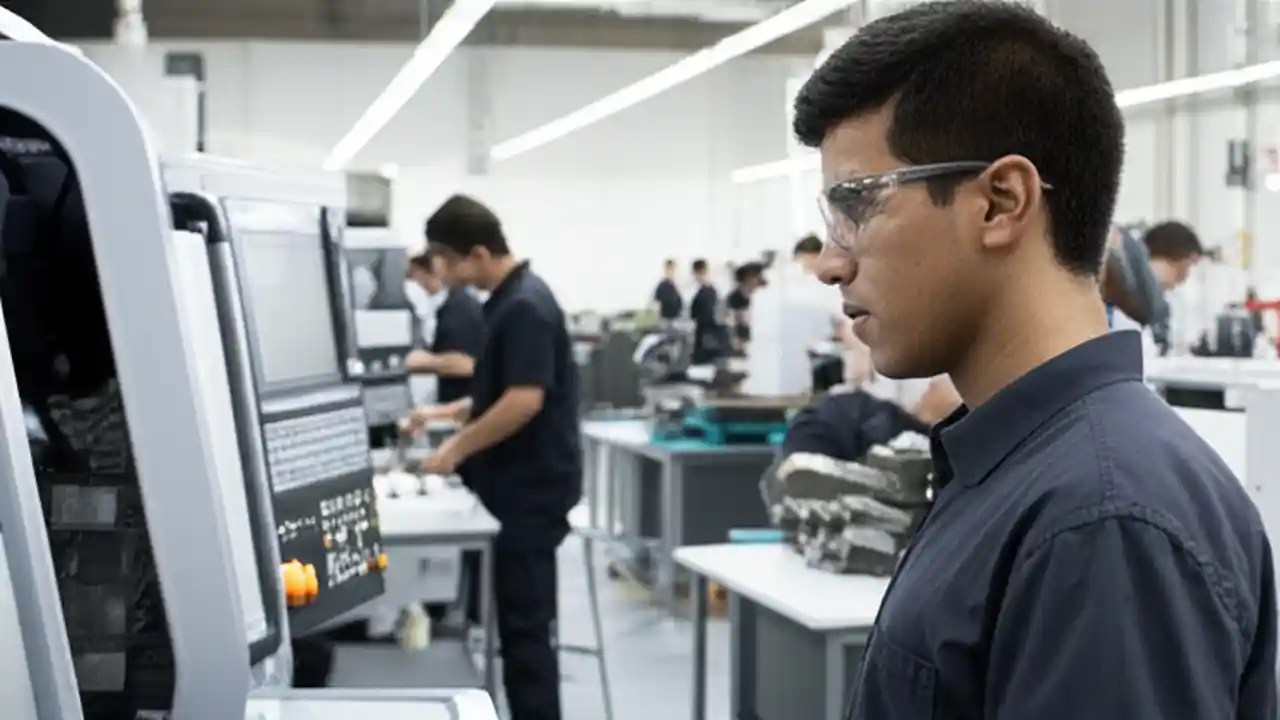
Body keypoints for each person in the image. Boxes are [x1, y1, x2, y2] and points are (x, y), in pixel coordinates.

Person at [796, 3, 1275, 718]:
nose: (832, 263)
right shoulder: (1020, 471)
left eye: (857, 208)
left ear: (1001, 202)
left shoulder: (1100, 525)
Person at [407, 194, 578, 720]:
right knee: (514, 625)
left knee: (526, 635)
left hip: (531, 491)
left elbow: (524, 400)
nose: (449, 276)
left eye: (451, 263)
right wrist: (438, 418)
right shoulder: (507, 301)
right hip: (514, 487)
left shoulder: (526, 305)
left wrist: (456, 448)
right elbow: (495, 395)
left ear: (477, 253)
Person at [404, 248, 485, 406]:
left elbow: (468, 365)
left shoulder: (461, 308)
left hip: (463, 405)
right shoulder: (442, 308)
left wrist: (423, 362)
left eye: (413, 275)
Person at [688, 258, 725, 364]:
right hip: (706, 332)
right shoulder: (710, 290)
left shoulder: (707, 292)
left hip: (707, 333)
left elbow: (700, 313)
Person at [725, 261, 766, 356]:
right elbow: (736, 323)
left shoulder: (747, 296)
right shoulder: (735, 298)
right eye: (756, 277)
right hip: (737, 345)